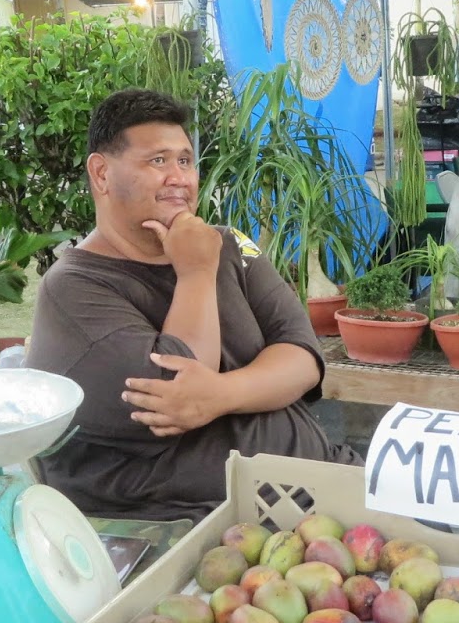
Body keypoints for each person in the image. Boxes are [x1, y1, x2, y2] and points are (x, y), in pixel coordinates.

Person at [26, 88, 359, 522]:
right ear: (102, 173)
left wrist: (221, 394)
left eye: (185, 161)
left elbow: (302, 355)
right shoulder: (74, 287)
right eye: (157, 161)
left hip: (322, 484)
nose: (179, 177)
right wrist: (197, 272)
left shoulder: (232, 242)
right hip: (197, 528)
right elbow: (177, 388)